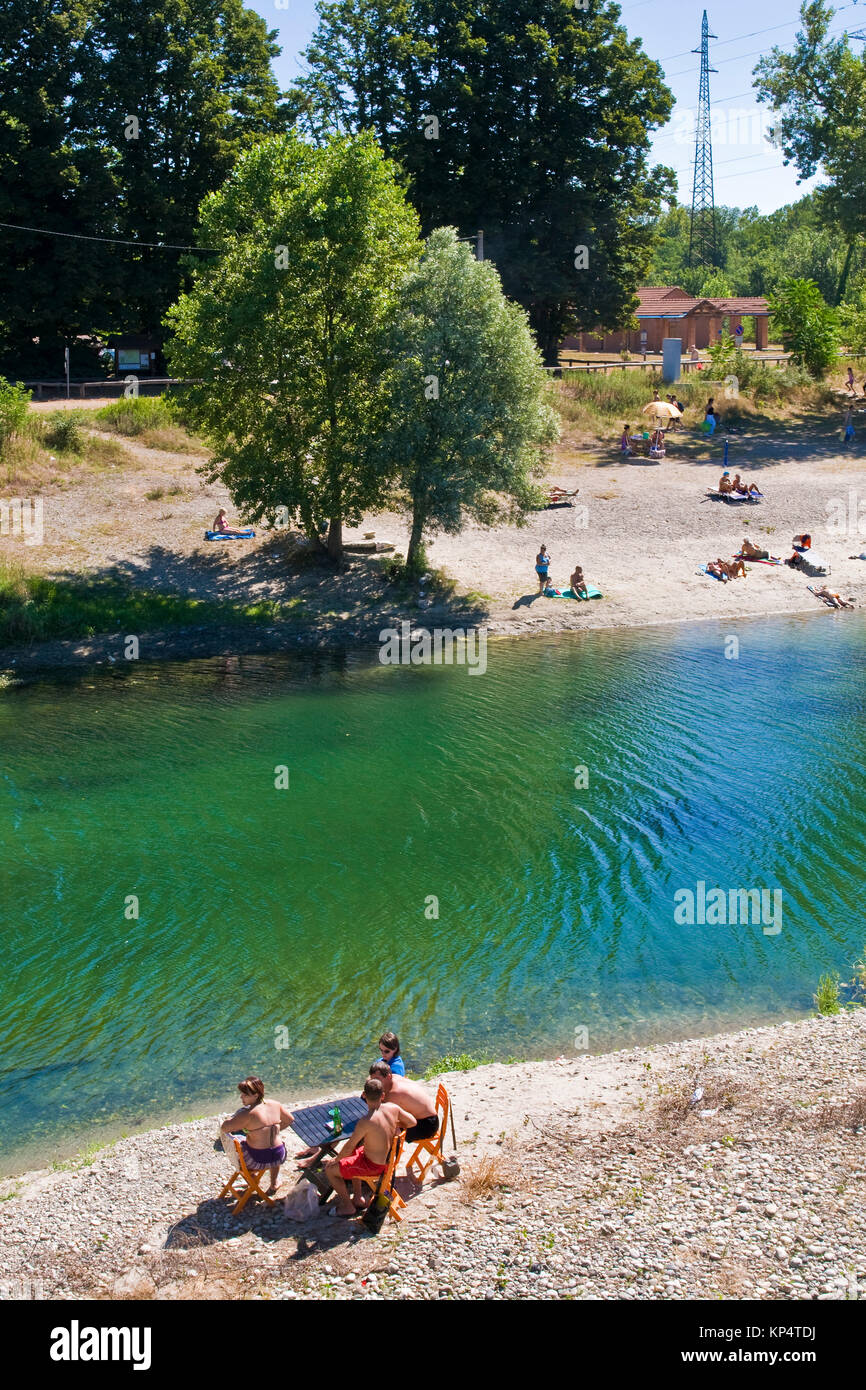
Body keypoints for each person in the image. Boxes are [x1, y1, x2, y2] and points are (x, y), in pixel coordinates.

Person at [321, 1078, 416, 1216]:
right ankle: (358, 1198)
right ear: (382, 1095)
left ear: (364, 1095)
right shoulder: (393, 1108)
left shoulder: (366, 1121)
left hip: (373, 1166)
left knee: (330, 1170)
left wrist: (335, 1160)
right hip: (389, 1160)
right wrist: (394, 1125)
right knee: (354, 1152)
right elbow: (412, 1122)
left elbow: (348, 1146)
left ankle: (348, 1207)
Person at [220, 1077, 294, 1197]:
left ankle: (253, 1180)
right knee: (274, 1145)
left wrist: (231, 1119)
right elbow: (290, 1119)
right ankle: (274, 1183)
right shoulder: (275, 1104)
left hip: (258, 1160)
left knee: (237, 1144)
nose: (241, 1097)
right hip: (279, 1155)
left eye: (245, 1094)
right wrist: (275, 1130)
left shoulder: (247, 1114)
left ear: (256, 1095)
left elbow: (225, 1128)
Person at [368, 1061, 439, 1145]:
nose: (375, 1083)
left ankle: (391, 1154)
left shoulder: (394, 1093)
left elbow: (382, 1111)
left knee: (384, 1128)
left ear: (388, 1076)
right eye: (373, 1079)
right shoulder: (395, 1077)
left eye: (377, 1079)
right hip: (429, 1117)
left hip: (426, 1126)